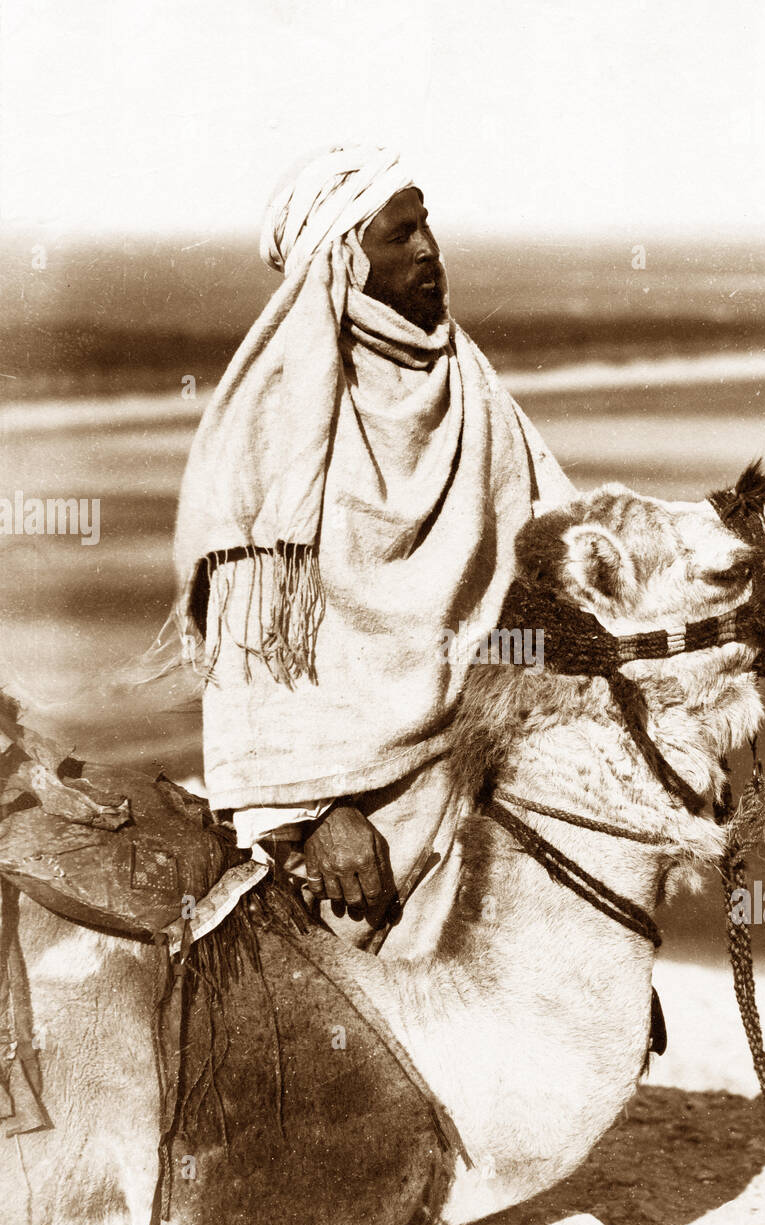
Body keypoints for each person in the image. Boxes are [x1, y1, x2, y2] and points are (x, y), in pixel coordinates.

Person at [173, 145, 575, 953]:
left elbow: (554, 548)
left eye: (427, 228)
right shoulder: (274, 418)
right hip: (344, 820)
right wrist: (317, 816)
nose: (428, 251)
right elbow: (256, 644)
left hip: (482, 763)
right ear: (339, 259)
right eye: (400, 235)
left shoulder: (468, 382)